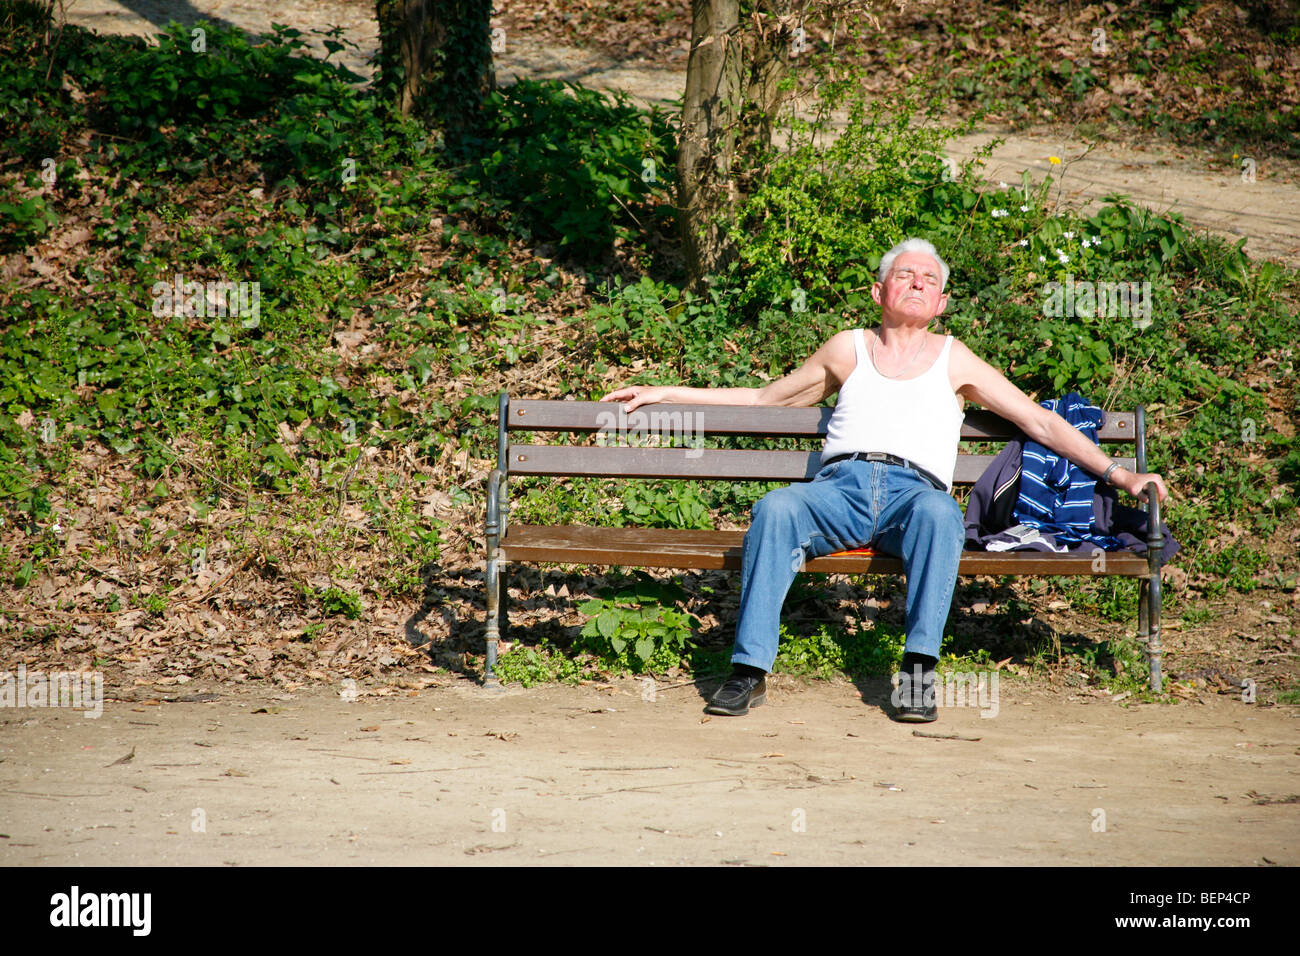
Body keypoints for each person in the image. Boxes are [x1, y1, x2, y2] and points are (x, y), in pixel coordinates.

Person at [602, 238, 1170, 721]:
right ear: (880, 292)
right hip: (839, 489)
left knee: (942, 512)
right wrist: (665, 392)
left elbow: (1040, 420)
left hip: (913, 494)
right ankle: (749, 670)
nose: (918, 282)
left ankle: (919, 671)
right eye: (905, 274)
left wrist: (1122, 475)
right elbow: (762, 397)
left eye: (930, 278)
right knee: (777, 508)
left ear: (942, 302)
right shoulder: (847, 348)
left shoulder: (956, 358)